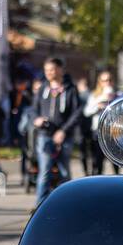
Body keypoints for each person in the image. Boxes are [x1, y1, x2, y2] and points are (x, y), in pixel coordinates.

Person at [31, 57, 82, 202]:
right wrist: (37, 119)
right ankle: (39, 205)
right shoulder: (43, 88)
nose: (49, 73)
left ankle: (67, 204)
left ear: (60, 70)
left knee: (64, 172)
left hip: (64, 136)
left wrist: (63, 131)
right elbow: (33, 109)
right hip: (45, 135)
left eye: (52, 69)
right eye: (46, 70)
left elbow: (77, 113)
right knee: (44, 171)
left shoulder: (70, 89)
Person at [84, 69, 117, 175]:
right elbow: (86, 112)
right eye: (104, 80)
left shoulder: (118, 95)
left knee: (115, 162)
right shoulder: (94, 95)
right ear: (100, 82)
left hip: (114, 132)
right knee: (97, 161)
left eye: (109, 80)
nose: (107, 83)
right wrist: (98, 105)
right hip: (98, 132)